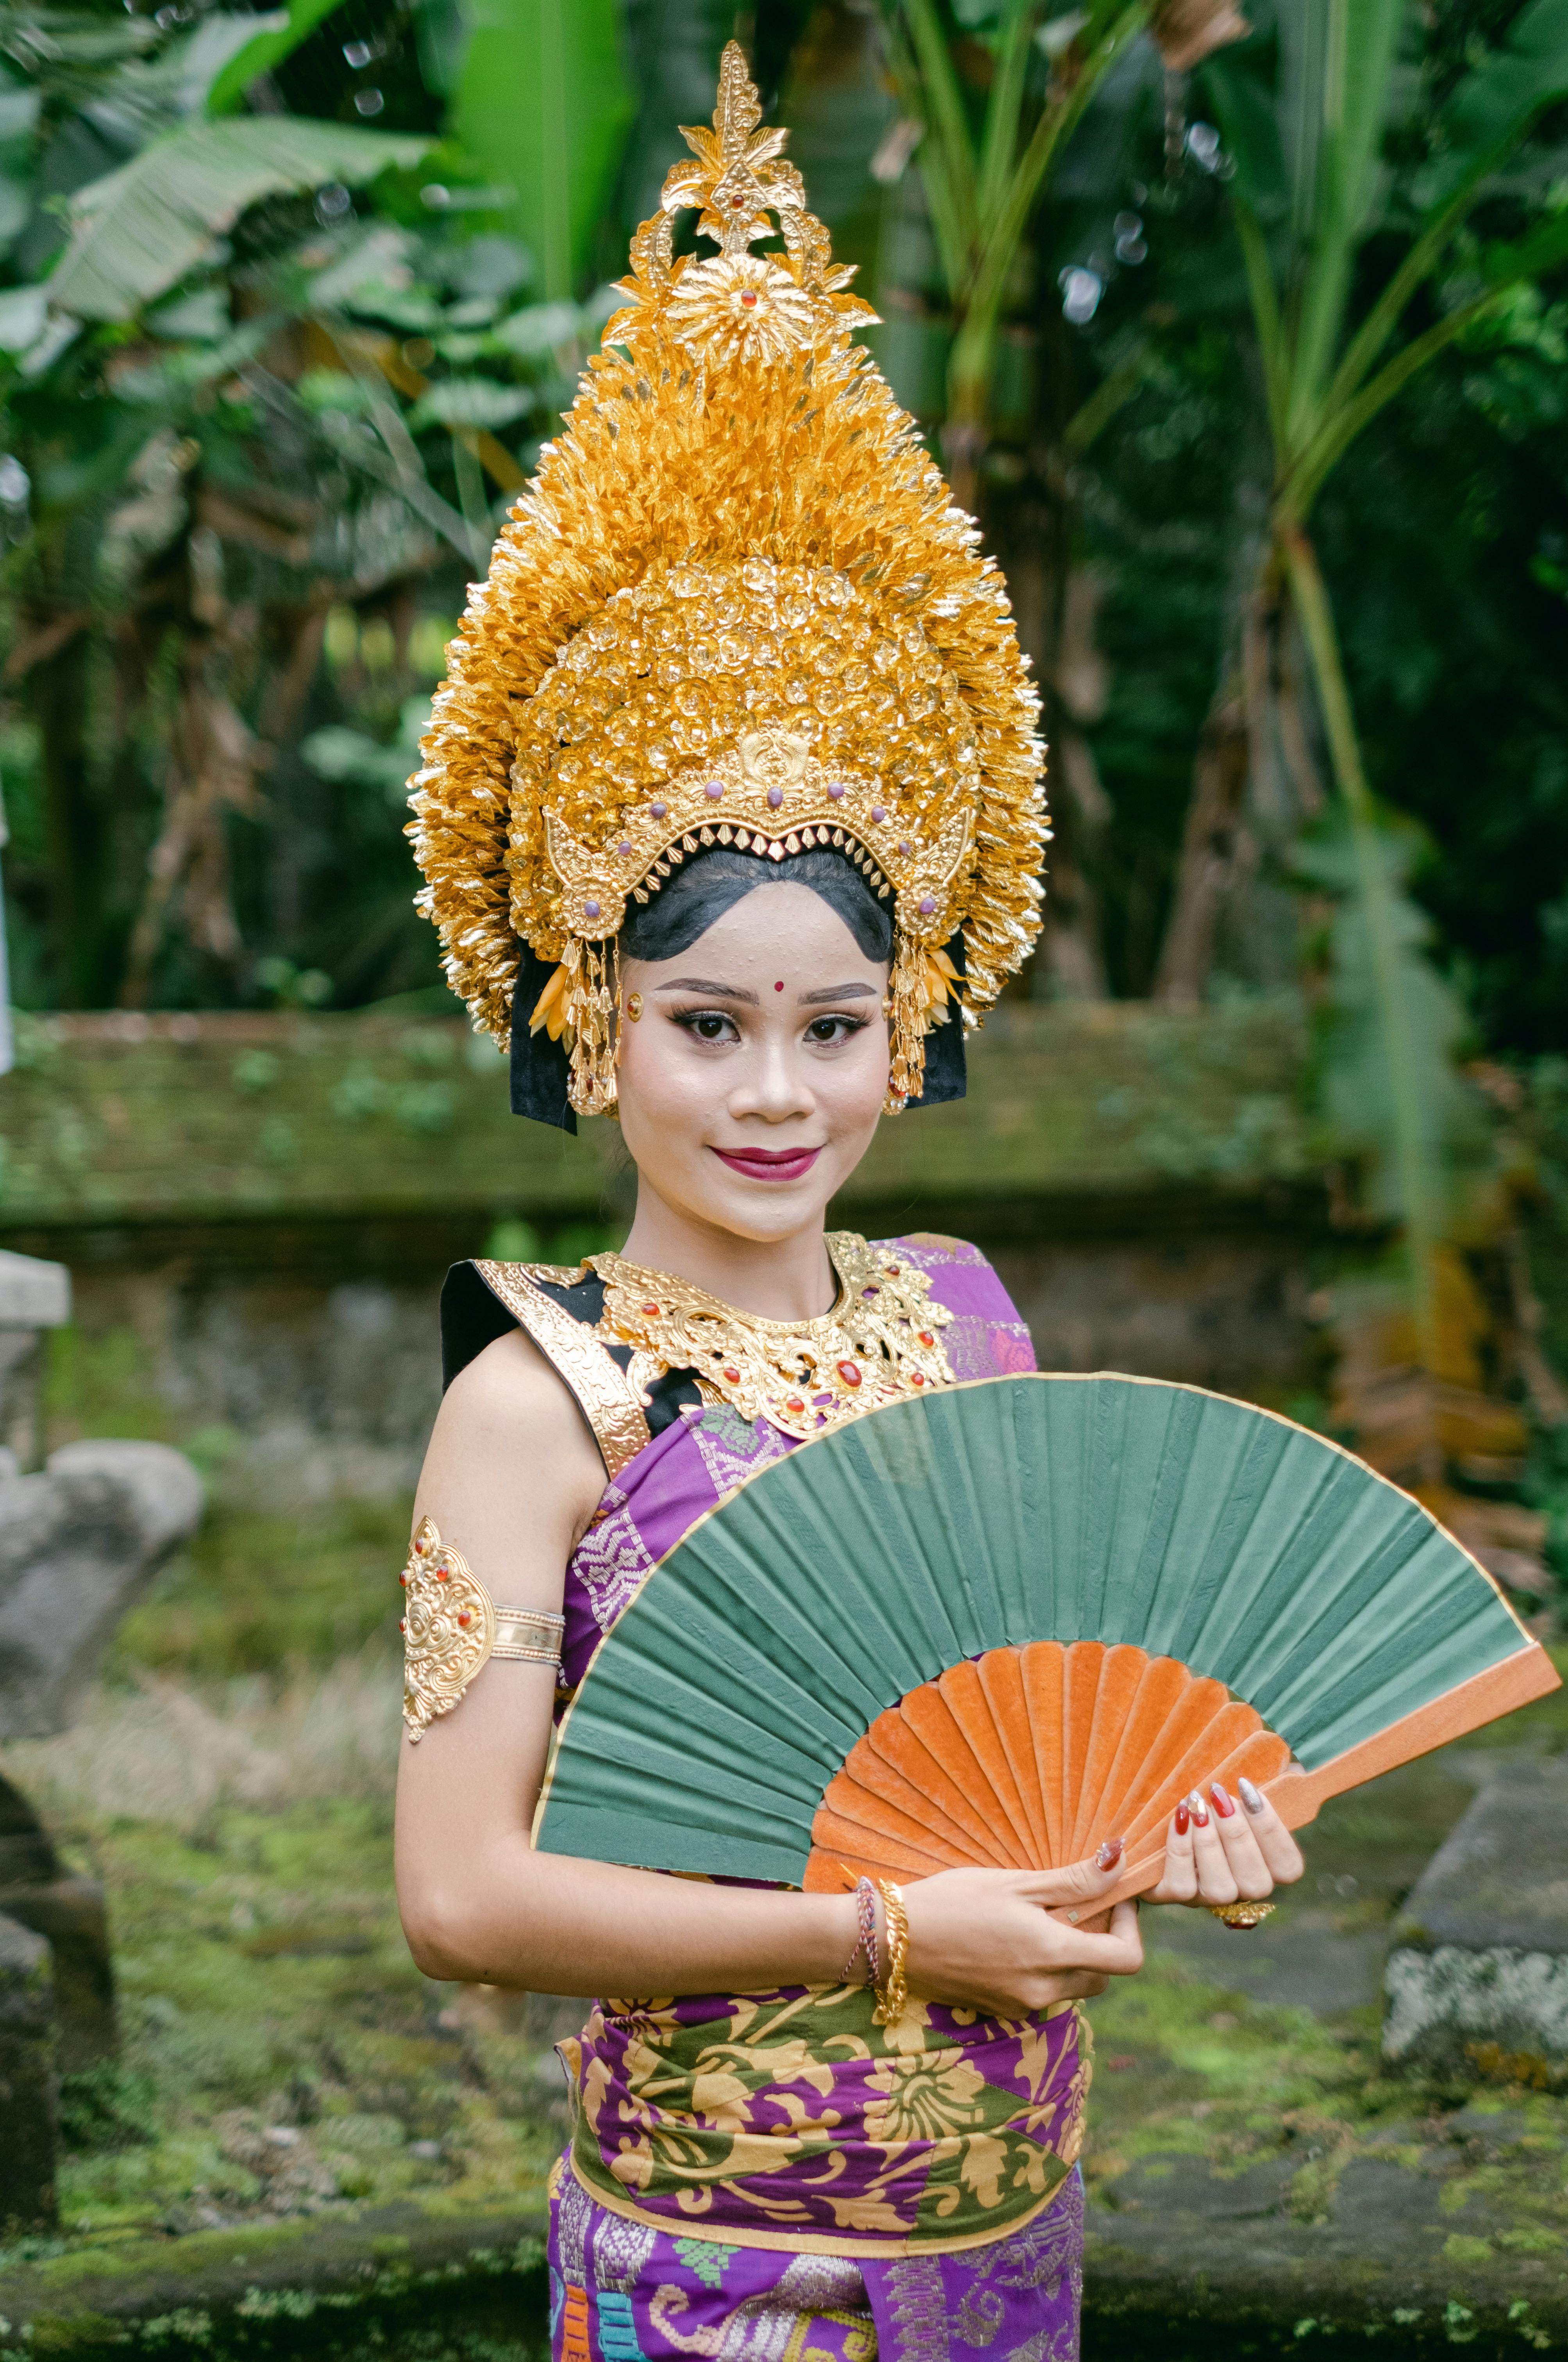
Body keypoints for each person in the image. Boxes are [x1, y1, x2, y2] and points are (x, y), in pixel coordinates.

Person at [395, 46, 1303, 2362]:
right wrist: (906, 1943)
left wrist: (1179, 1824)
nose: (779, 1094)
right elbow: (464, 1895)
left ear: (926, 1005)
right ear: (593, 1019)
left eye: (837, 1024)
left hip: (1014, 2240)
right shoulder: (543, 1408)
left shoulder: (967, 1317)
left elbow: (1033, 1785)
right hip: (724, 2275)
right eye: (708, 1024)